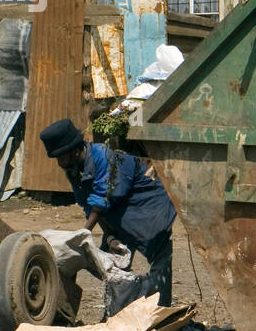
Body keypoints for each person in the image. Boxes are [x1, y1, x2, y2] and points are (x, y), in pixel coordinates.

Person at [39, 118, 177, 307]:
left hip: (148, 205)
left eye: (61, 157)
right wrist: (110, 235)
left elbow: (101, 199)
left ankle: (161, 310)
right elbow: (89, 206)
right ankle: (120, 309)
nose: (59, 163)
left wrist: (82, 235)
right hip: (118, 211)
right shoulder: (73, 169)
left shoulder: (104, 157)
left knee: (159, 252)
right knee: (112, 265)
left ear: (76, 150)